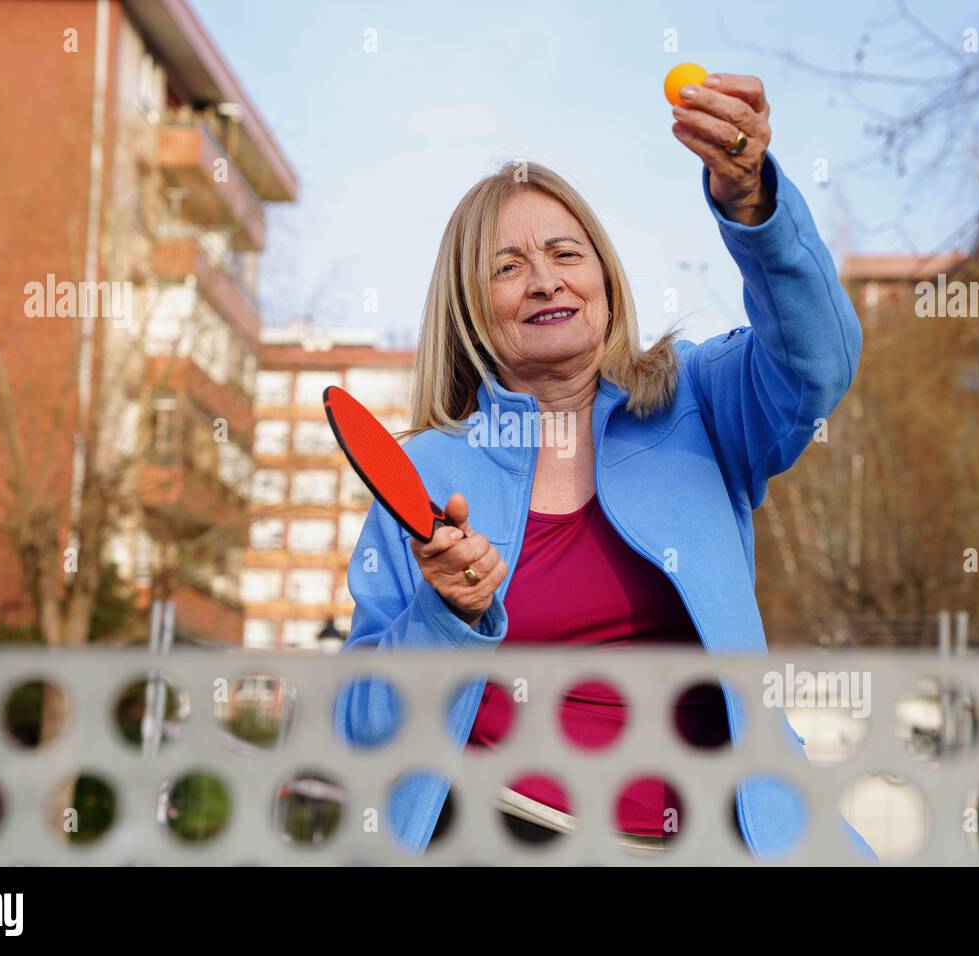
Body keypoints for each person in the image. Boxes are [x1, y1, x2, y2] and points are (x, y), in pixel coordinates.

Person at [333, 71, 876, 862]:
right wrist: (443, 618)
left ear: (605, 278)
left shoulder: (704, 401)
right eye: (508, 266)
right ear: (470, 305)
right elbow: (361, 727)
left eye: (564, 253)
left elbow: (818, 363)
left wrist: (753, 204)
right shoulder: (423, 473)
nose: (546, 279)